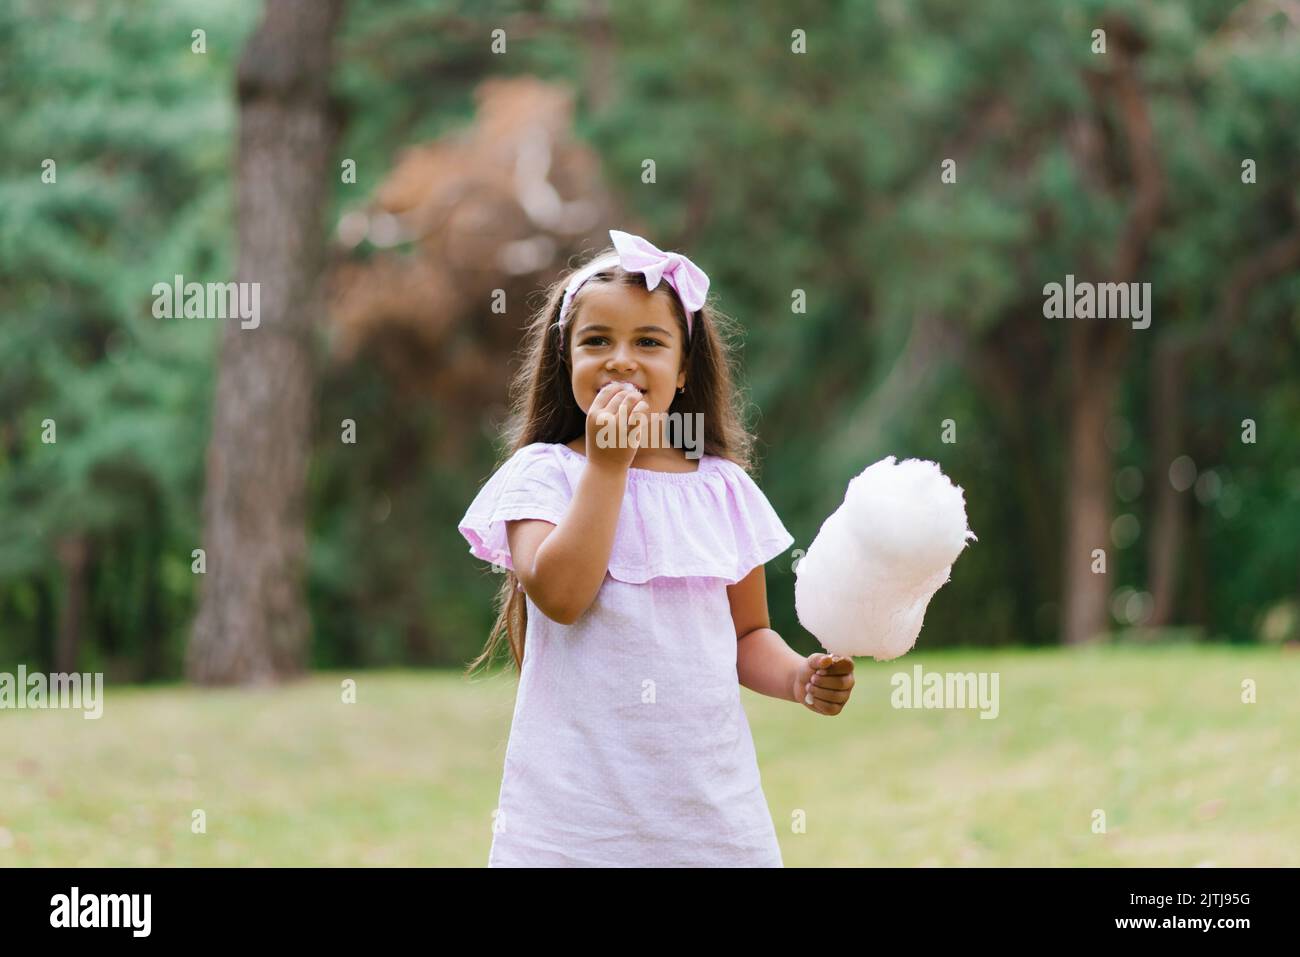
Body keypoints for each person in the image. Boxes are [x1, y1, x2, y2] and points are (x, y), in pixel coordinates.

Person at [458, 229, 855, 867]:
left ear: (683, 366)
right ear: (566, 360)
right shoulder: (544, 475)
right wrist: (607, 469)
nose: (620, 360)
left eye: (648, 341)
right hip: (575, 821)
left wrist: (799, 678)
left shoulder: (720, 488)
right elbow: (559, 596)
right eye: (596, 342)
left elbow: (748, 635)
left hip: (707, 816)